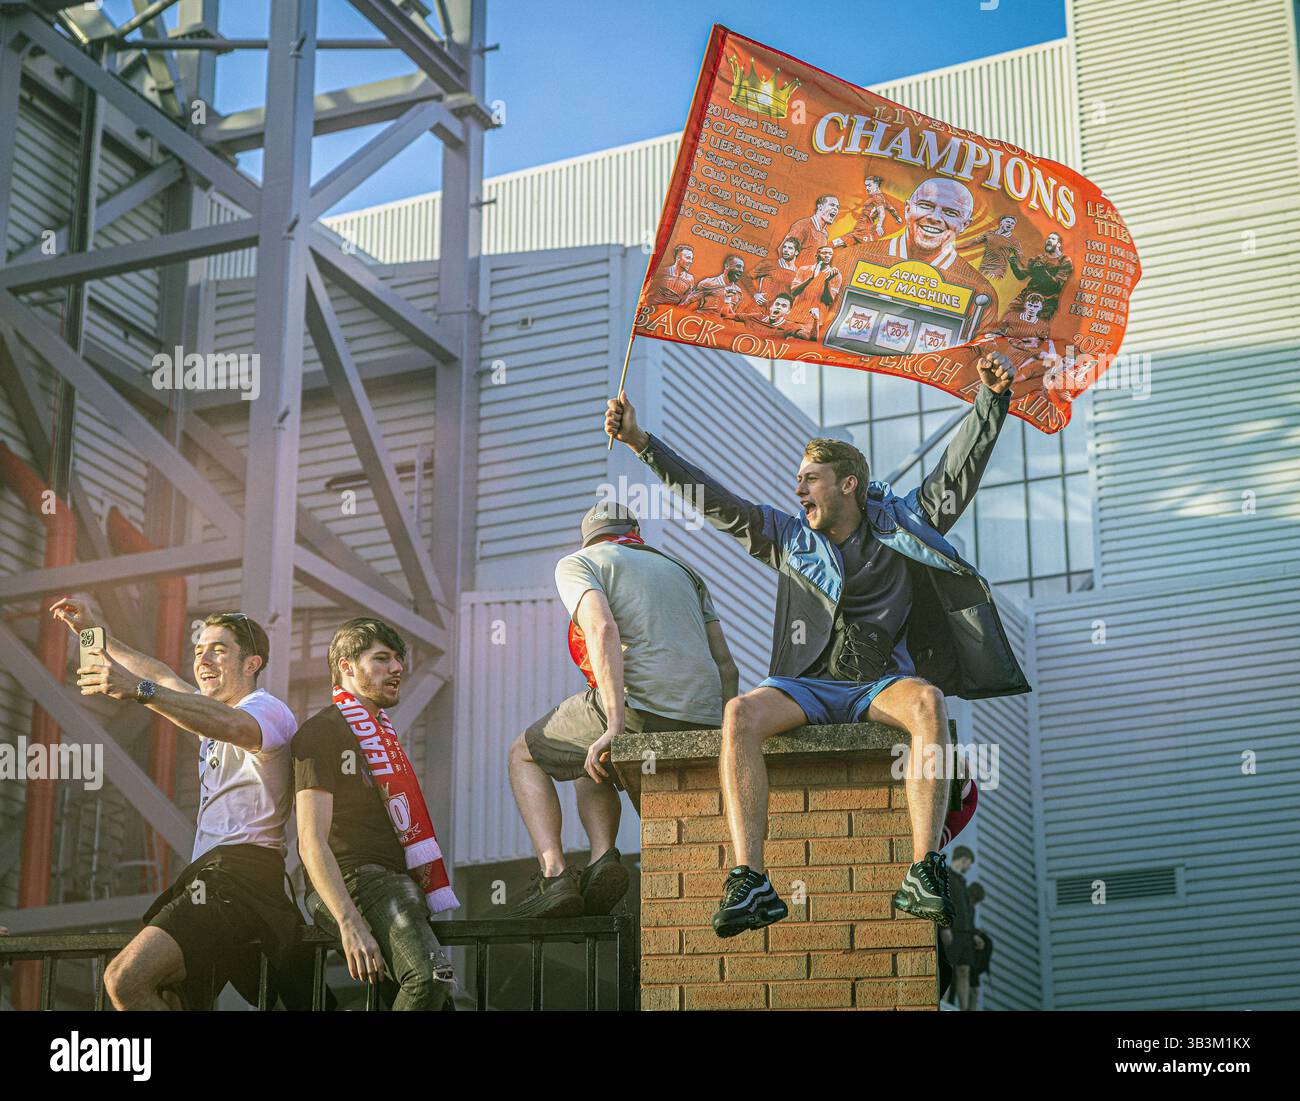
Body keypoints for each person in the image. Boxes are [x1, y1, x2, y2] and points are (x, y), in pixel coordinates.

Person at [604, 350, 1027, 939]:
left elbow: (958, 472)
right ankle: (750, 879)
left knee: (929, 704)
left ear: (847, 484)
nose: (797, 486)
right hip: (802, 685)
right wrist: (642, 443)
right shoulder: (786, 536)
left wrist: (990, 402)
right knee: (739, 713)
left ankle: (924, 869)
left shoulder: (905, 522)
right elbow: (712, 499)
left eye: (809, 478)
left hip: (879, 684)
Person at [52, 598, 302, 1010]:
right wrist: (91, 632)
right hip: (209, 876)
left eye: (218, 650)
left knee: (125, 979)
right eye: (199, 650)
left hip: (239, 877)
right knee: (166, 997)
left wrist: (139, 690)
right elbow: (156, 674)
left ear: (252, 664)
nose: (203, 659)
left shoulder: (265, 709)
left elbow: (227, 724)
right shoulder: (207, 714)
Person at [508, 502, 738, 917]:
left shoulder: (578, 563)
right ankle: (601, 860)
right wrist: (724, 735)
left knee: (522, 754)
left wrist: (614, 724)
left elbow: (601, 628)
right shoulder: (683, 571)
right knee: (583, 754)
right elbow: (726, 664)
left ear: (589, 538)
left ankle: (554, 874)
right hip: (703, 717)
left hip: (641, 710)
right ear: (635, 532)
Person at [292, 617, 458, 1010]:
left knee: (441, 999)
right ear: (346, 667)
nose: (397, 667)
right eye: (382, 658)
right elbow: (310, 841)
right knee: (432, 977)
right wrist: (349, 923)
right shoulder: (322, 732)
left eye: (398, 659)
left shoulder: (382, 736)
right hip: (355, 881)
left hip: (394, 885)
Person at [836, 177, 999, 325]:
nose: (935, 218)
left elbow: (978, 351)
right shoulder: (850, 259)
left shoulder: (981, 294)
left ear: (965, 225)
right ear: (907, 210)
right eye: (926, 206)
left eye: (950, 213)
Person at [1008, 230, 1073, 319]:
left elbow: (1057, 285)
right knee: (1011, 314)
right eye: (1048, 239)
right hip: (1027, 295)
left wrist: (1043, 272)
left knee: (1037, 326)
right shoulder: (1038, 258)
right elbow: (1021, 276)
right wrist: (1014, 265)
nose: (1049, 240)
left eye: (1053, 239)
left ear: (1058, 244)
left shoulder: (1064, 260)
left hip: (1047, 300)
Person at [943, 846, 977, 1010]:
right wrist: (945, 927)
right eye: (969, 863)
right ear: (963, 859)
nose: (969, 867)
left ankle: (964, 1008)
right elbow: (943, 902)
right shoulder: (947, 877)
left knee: (965, 970)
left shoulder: (963, 882)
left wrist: (974, 934)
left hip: (966, 933)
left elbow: (967, 911)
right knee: (949, 968)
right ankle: (943, 1003)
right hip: (953, 931)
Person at [834, 175, 902, 246]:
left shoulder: (877, 198)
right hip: (859, 229)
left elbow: (881, 212)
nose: (867, 188)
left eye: (869, 185)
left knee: (870, 249)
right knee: (838, 244)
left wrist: (879, 226)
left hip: (865, 230)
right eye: (866, 186)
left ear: (876, 186)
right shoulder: (882, 199)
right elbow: (891, 209)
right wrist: (897, 218)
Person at [973, 214, 1024, 279]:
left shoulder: (1014, 241)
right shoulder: (990, 233)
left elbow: (1021, 257)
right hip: (983, 267)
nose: (1010, 224)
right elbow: (974, 241)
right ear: (1001, 223)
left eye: (1012, 223)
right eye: (1007, 222)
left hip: (997, 270)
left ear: (1013, 227)